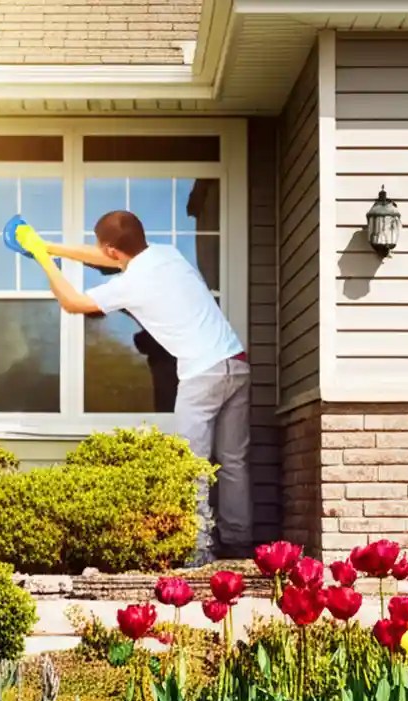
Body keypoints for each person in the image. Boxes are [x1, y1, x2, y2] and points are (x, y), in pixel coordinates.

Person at [13, 210, 251, 565]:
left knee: (191, 465)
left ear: (112, 250)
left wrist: (46, 261)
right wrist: (48, 245)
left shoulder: (131, 284)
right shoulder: (168, 253)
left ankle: (197, 550)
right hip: (237, 363)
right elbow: (107, 257)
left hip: (202, 374)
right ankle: (239, 542)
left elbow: (74, 302)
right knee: (233, 460)